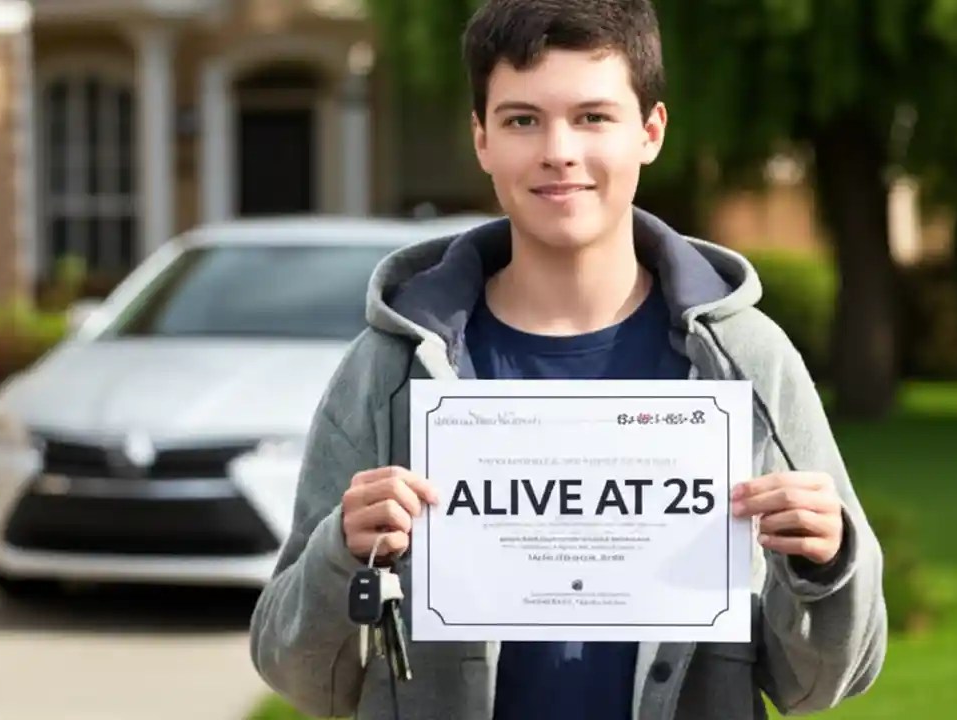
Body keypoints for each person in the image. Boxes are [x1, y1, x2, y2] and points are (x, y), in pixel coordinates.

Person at [249, 1, 887, 718]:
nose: (558, 150)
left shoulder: (744, 358)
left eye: (592, 117)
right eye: (523, 119)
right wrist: (342, 553)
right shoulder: (390, 370)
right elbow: (296, 672)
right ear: (482, 139)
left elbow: (824, 682)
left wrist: (825, 562)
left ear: (651, 132)